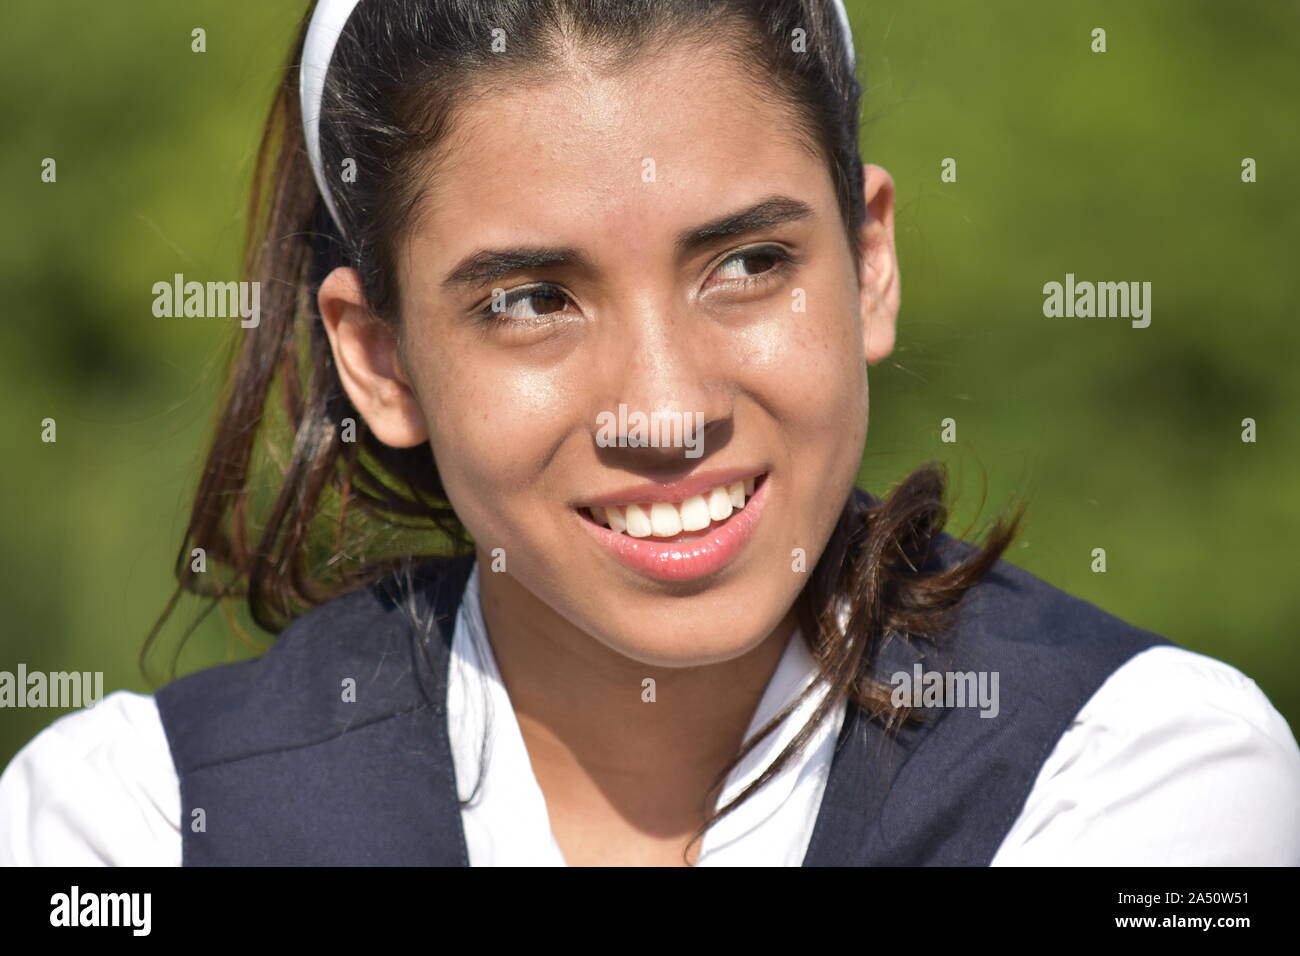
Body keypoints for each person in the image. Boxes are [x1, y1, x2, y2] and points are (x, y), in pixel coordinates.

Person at [2, 0, 1298, 867]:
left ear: (869, 260)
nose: (664, 409)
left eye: (745, 264)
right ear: (379, 357)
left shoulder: (1143, 770)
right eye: (531, 301)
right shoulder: (134, 823)